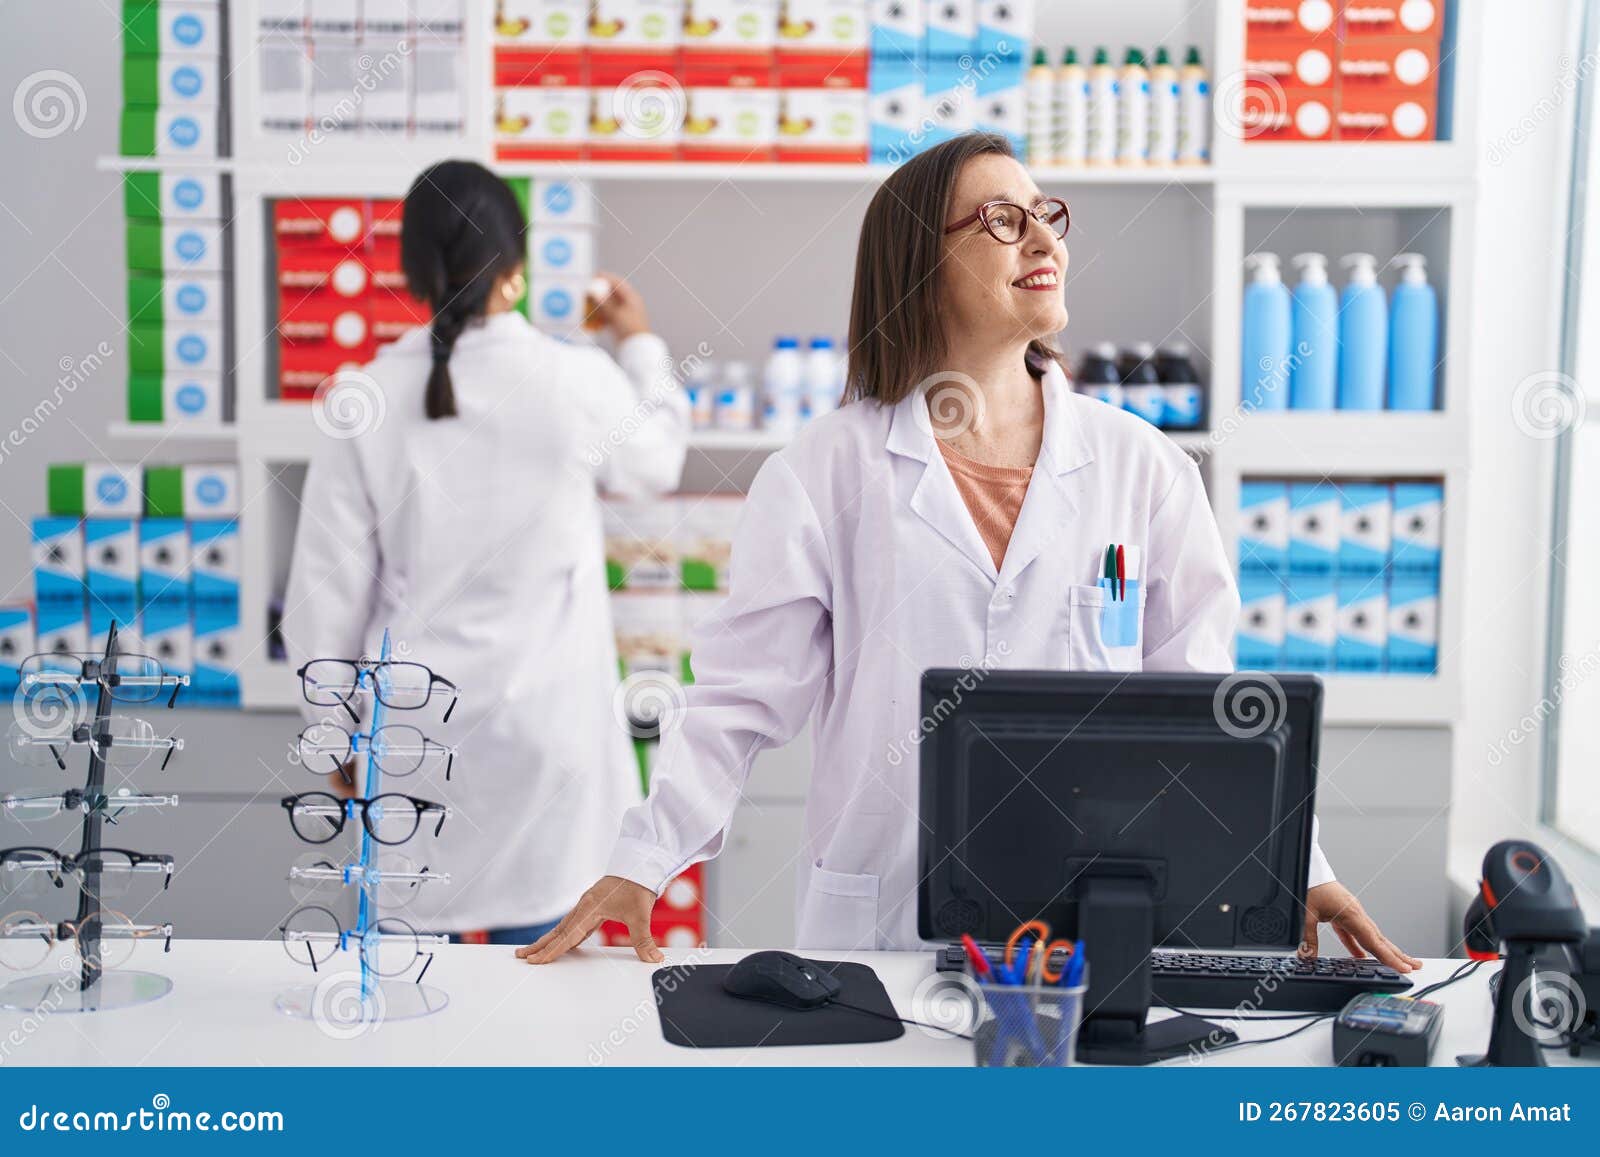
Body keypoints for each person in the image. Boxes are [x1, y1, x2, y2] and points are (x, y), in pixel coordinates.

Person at [519, 133, 1421, 973]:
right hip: (883, 935)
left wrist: (1298, 866)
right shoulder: (827, 470)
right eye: (1001, 218)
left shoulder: (1143, 467)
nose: (1042, 237)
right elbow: (737, 701)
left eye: (1046, 214)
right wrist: (644, 856)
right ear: (919, 264)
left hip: (1088, 933)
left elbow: (1211, 705)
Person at [282, 160, 687, 945]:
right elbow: (656, 463)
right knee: (538, 1007)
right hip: (549, 743)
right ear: (516, 269)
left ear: (412, 270)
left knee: (403, 1010)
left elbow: (323, 597)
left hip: (411, 739)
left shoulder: (363, 393)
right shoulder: (576, 379)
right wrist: (638, 343)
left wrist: (332, 731)